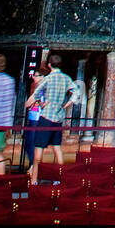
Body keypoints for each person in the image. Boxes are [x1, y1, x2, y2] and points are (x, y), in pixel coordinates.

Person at [27, 53, 74, 182]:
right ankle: (59, 179)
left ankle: (34, 180)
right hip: (58, 117)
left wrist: (31, 104)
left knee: (38, 150)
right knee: (57, 148)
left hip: (46, 116)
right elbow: (76, 92)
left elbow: (36, 94)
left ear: (49, 65)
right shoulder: (66, 78)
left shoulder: (48, 79)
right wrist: (66, 104)